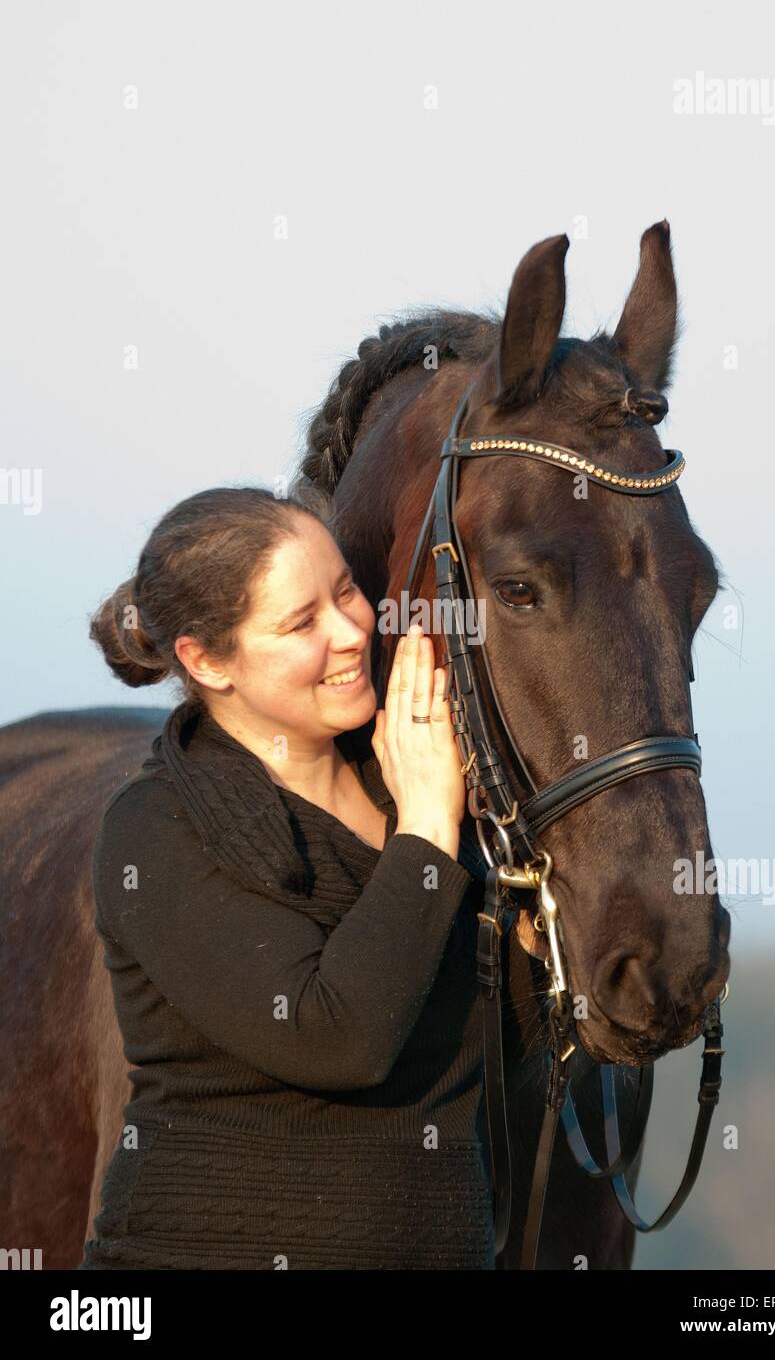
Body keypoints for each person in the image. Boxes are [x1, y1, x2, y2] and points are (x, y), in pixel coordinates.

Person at [80, 484, 495, 1270]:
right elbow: (334, 1039)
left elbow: (495, 1044)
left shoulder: (411, 781)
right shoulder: (156, 827)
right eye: (302, 622)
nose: (350, 631)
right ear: (206, 661)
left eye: (346, 591)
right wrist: (428, 828)